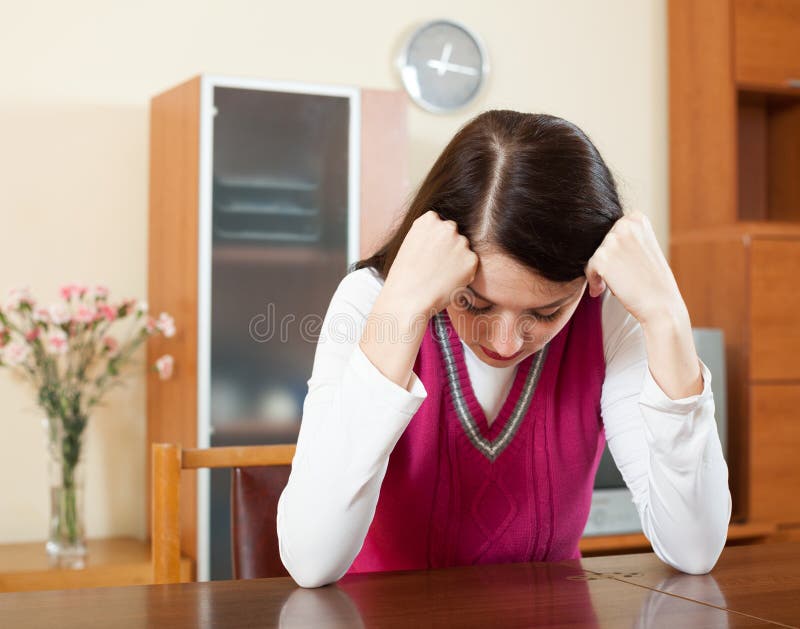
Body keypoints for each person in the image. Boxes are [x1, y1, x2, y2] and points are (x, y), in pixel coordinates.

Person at [276, 110, 731, 588]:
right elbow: (311, 561)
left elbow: (694, 549)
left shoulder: (607, 315)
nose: (506, 342)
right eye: (474, 302)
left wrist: (667, 317)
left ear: (589, 280)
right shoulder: (372, 302)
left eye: (545, 312)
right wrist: (404, 309)